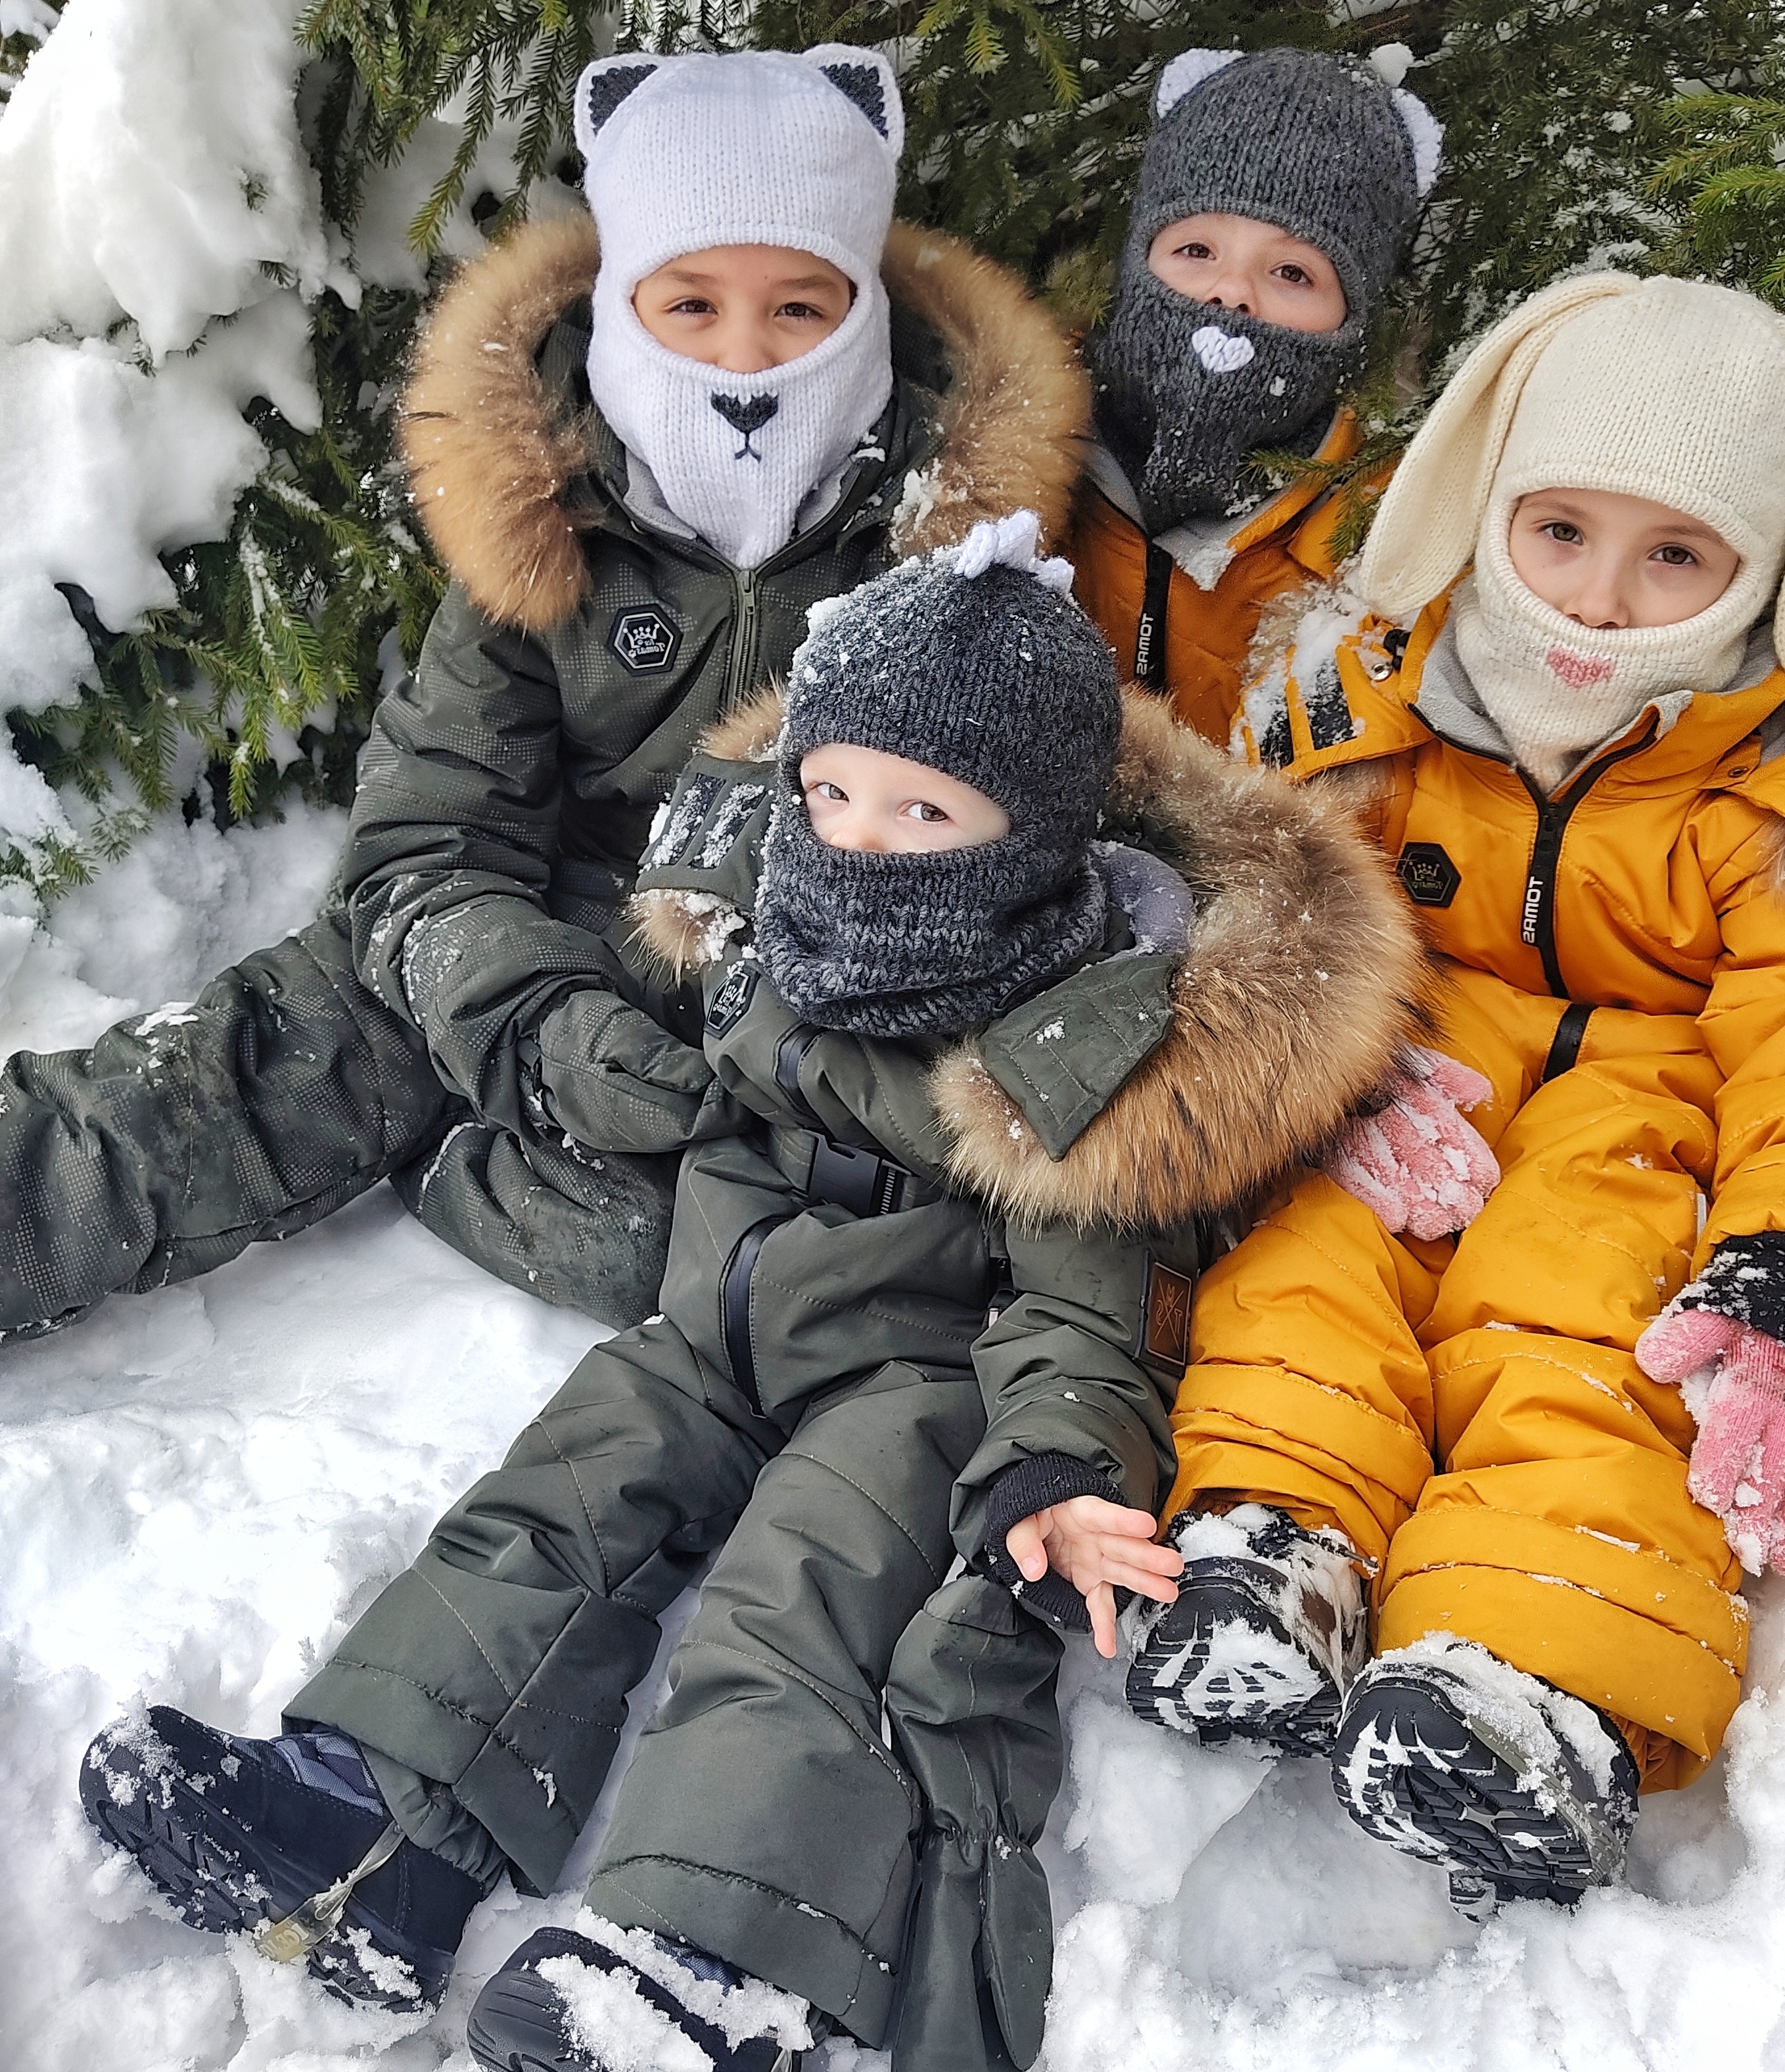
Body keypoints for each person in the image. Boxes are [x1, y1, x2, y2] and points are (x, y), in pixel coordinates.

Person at [78, 515, 1429, 2071]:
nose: (852, 838)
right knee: (557, 1502)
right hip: (716, 1319)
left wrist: (1062, 1465)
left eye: (919, 809)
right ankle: (369, 1818)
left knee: (801, 1604)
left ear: (1030, 838)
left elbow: (1084, 1295)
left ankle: (710, 1955)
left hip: (917, 1381)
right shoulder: (759, 912)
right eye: (830, 789)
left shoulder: (1085, 1033)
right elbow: (596, 1004)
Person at [0, 43, 1089, 1341]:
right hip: (526, 934)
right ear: (624, 306)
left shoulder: (955, 557)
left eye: (798, 308)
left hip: (795, 991)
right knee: (251, 1068)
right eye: (691, 306)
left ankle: (454, 1170)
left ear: (868, 313)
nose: (746, 359)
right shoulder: (549, 506)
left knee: (716, 1254)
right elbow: (427, 843)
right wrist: (531, 1018)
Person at [1122, 273, 1785, 1918]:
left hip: (1646, 1101)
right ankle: (1272, 1534)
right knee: (1309, 1249)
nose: (1599, 596)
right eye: (1559, 529)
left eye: (1675, 554)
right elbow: (1243, 891)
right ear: (1487, 496)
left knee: (1587, 1303)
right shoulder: (1361, 698)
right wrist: (1326, 1058)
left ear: (1768, 566)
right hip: (1410, 1058)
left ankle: (1530, 1664)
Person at [1068, 46, 1441, 752]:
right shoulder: (1032, 462)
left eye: (1292, 271)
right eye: (1198, 251)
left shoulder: (1376, 537)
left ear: (1352, 318)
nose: (1230, 293)